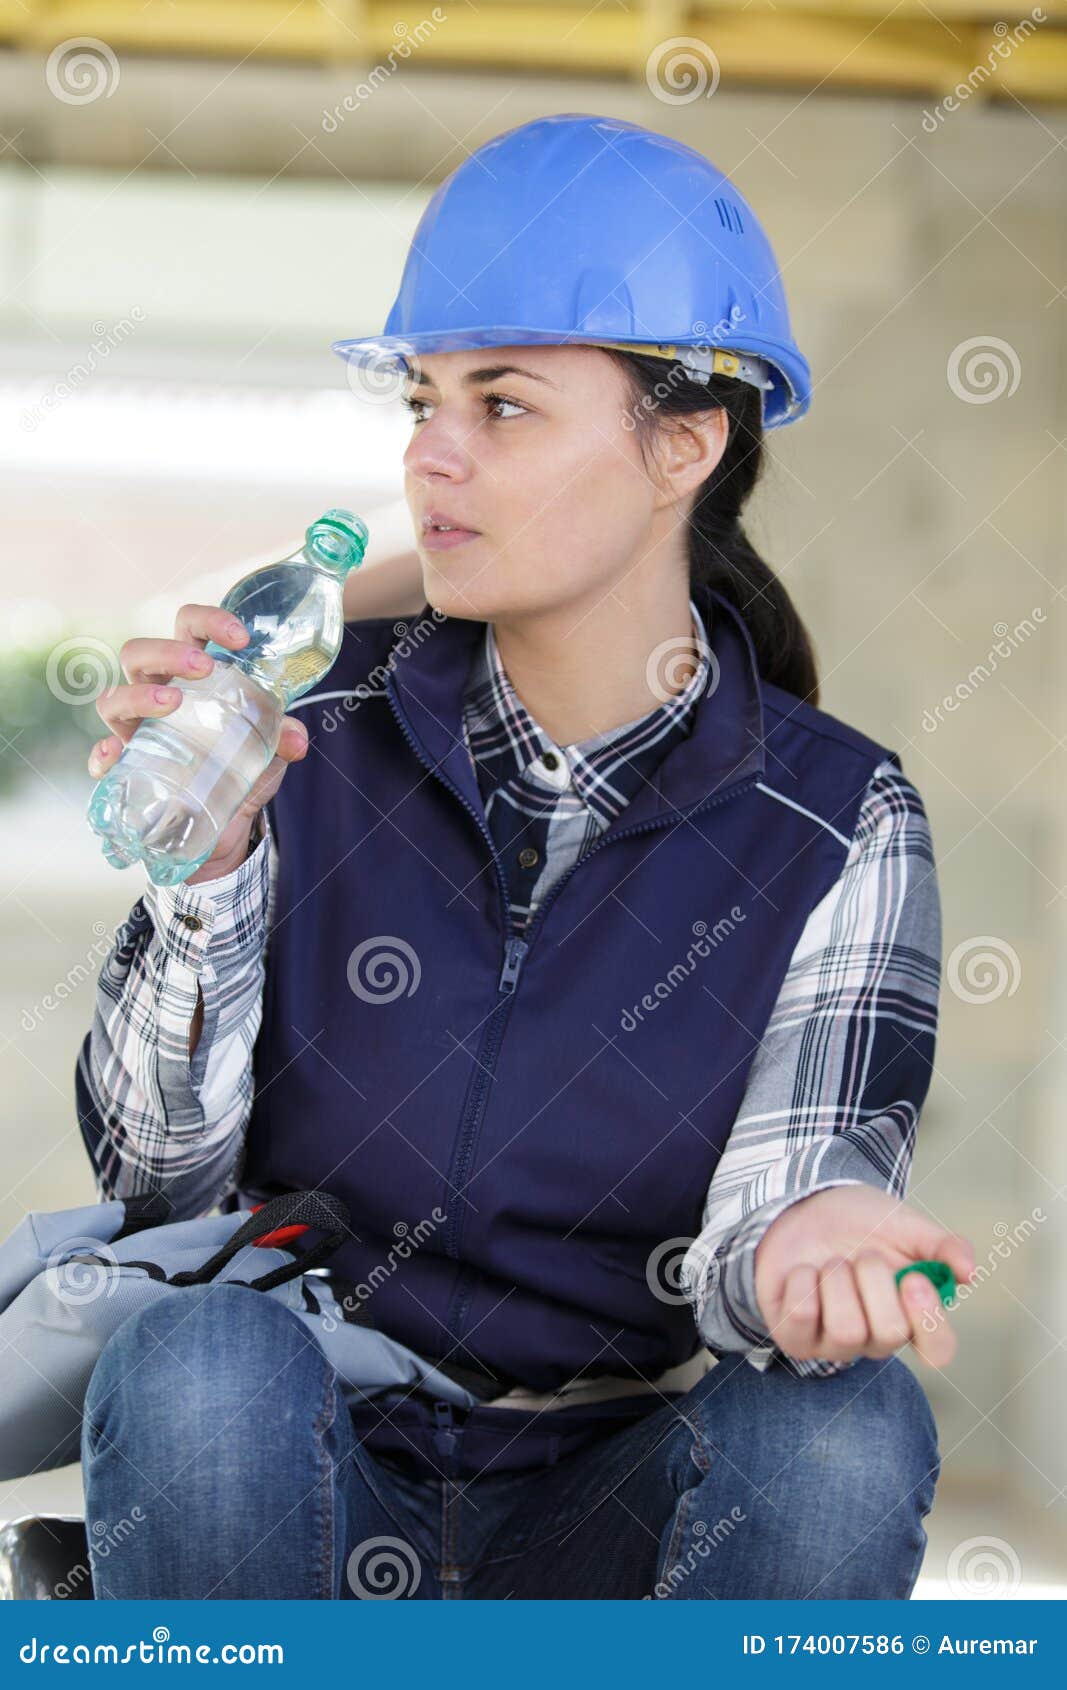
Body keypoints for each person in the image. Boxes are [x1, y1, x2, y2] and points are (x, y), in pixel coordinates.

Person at [75, 113, 974, 1601]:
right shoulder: (303, 733)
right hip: (299, 1454)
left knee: (844, 1425)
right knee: (194, 1362)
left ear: (684, 443)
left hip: (612, 1503)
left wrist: (817, 1233)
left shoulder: (837, 826)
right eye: (423, 398)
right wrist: (212, 877)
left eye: (503, 406)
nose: (431, 449)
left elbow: (771, 1219)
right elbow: (157, 1187)